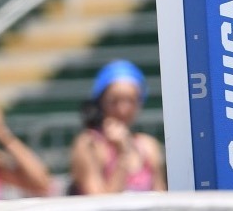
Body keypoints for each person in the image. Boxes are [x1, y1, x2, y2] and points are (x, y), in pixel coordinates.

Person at [69, 60, 166, 193]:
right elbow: (99, 204)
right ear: (100, 102)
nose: (122, 110)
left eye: (130, 101)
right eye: (114, 101)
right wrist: (122, 155)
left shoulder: (149, 146)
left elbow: (162, 199)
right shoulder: (89, 144)